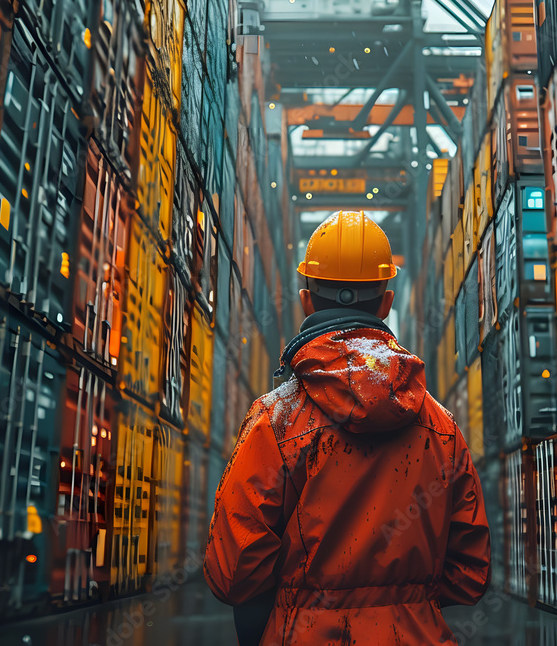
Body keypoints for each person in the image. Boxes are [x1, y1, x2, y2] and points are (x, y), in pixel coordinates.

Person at [204, 211, 491, 644]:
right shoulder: (442, 429)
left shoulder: (275, 420)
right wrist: (406, 601)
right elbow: (469, 574)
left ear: (305, 301)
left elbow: (234, 574)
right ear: (387, 303)